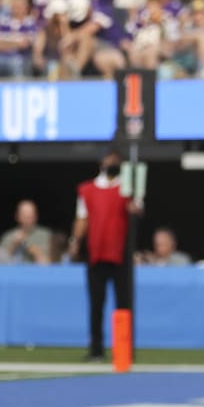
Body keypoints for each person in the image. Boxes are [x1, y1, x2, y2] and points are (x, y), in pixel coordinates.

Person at [70, 149, 141, 362]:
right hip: (96, 253)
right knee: (96, 303)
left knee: (124, 303)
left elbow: (137, 210)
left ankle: (124, 349)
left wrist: (136, 205)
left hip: (121, 254)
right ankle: (96, 349)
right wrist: (75, 241)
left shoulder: (126, 188)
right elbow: (82, 218)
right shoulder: (88, 190)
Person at [0, 199, 52, 264]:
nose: (27, 219)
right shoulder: (8, 236)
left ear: (36, 216)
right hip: (13, 273)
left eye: (30, 215)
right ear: (17, 216)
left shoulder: (46, 235)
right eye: (24, 215)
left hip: (37, 272)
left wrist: (35, 251)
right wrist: (13, 245)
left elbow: (53, 264)